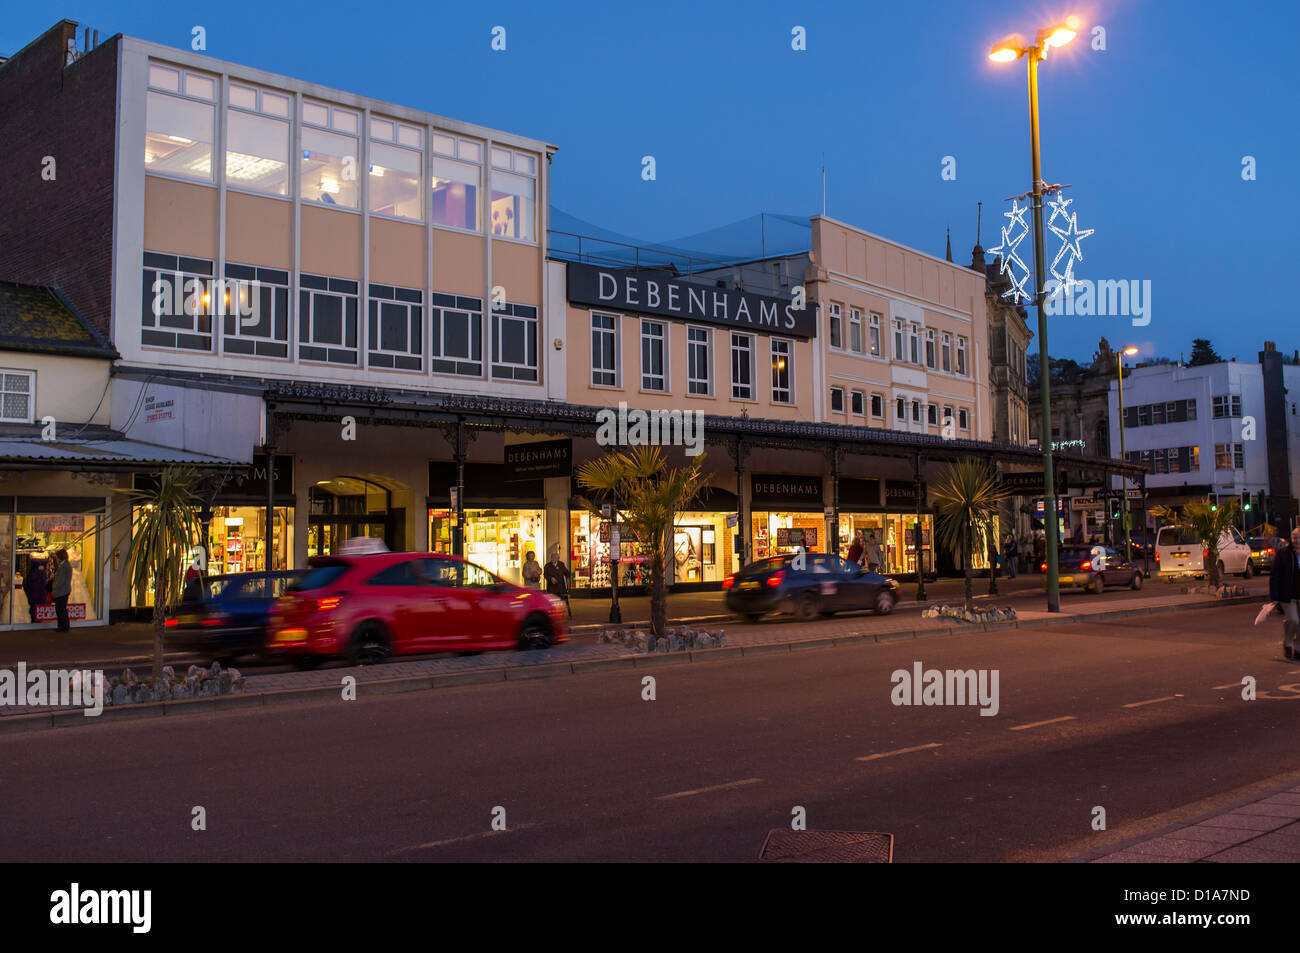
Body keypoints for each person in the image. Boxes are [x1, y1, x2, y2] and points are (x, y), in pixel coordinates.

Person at [1269, 526, 1300, 660]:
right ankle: (1287, 643)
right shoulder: (1283, 554)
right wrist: (1274, 597)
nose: (1296, 540)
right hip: (1288, 595)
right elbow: (1275, 576)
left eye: (1299, 537)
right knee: (1293, 619)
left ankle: (1298, 649)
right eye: (1294, 537)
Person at [543, 549, 572, 618]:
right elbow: (545, 575)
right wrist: (550, 578)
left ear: (558, 559)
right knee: (552, 602)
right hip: (551, 587)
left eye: (554, 558)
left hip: (561, 587)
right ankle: (553, 614)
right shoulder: (547, 565)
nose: (552, 559)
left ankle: (566, 613)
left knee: (563, 601)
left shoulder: (561, 564)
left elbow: (567, 572)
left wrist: (568, 579)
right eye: (552, 557)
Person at [22, 557, 48, 624]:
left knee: (41, 599)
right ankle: (34, 617)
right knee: (34, 600)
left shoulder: (45, 554)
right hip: (35, 581)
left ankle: (40, 617)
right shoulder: (32, 555)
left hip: (42, 581)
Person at [51, 548, 72, 632]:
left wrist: (54, 587)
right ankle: (64, 626)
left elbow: (61, 580)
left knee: (60, 609)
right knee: (61, 609)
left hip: (62, 591)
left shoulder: (64, 566)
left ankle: (63, 627)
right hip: (64, 590)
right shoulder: (65, 564)